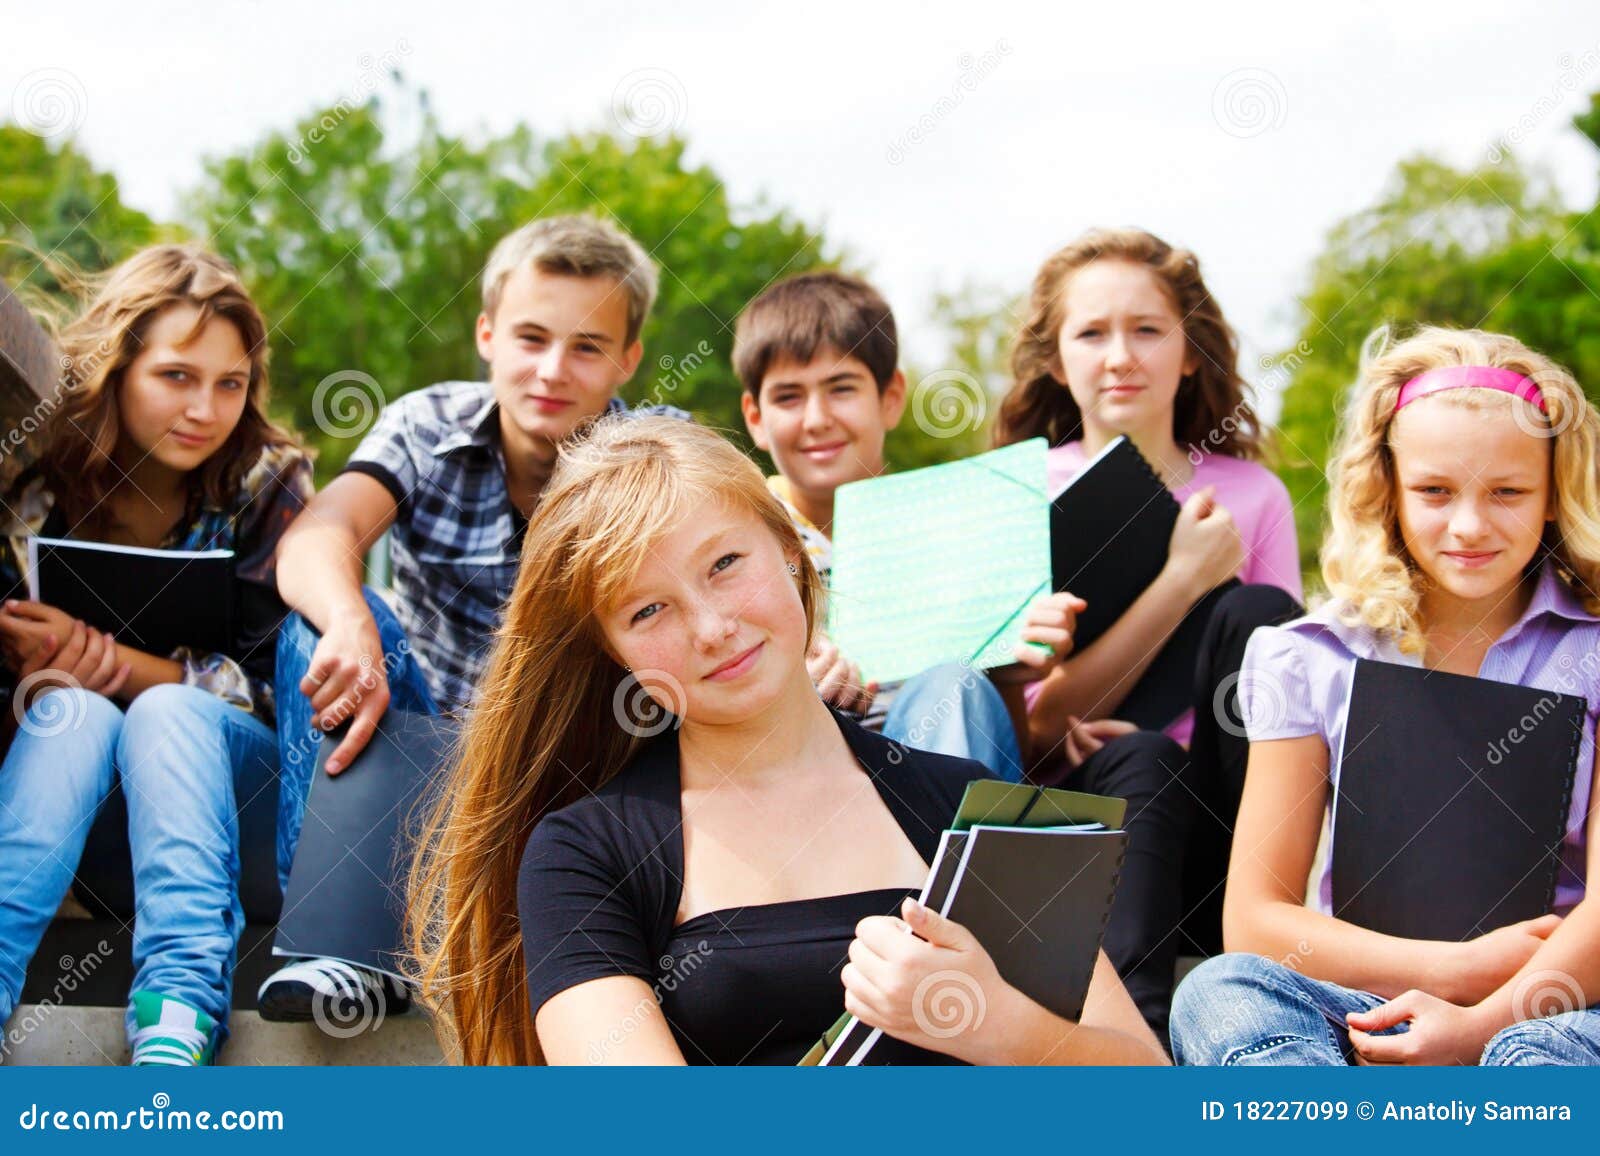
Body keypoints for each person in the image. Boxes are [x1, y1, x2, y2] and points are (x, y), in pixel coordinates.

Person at [405, 416, 1166, 1066]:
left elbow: (1149, 1093)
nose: (711, 629)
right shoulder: (582, 852)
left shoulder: (968, 799)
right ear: (613, 654)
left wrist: (992, 1021)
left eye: (725, 564)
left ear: (792, 550)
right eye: (648, 611)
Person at [260, 213, 685, 1022]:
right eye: (531, 337)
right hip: (423, 771)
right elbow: (317, 535)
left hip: (579, 778)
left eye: (588, 347)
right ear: (488, 333)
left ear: (627, 359)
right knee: (322, 623)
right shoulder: (428, 424)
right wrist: (351, 619)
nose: (552, 370)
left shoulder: (659, 454)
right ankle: (340, 942)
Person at [1170, 327, 1600, 1066]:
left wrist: (1477, 1026)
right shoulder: (1309, 656)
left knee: (1544, 1051)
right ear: (1388, 490)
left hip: (1557, 1000)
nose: (1469, 525)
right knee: (1218, 990)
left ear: (1554, 494)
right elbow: (1257, 919)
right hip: (1369, 998)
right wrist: (1447, 973)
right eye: (1434, 491)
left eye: (1508, 492)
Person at [0, 245, 312, 1065]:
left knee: (170, 710)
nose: (205, 408)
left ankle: (178, 1009)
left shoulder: (265, 485)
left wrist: (129, 668)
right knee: (71, 715)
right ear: (119, 369)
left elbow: (295, 701)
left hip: (235, 818)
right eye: (177, 376)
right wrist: (36, 660)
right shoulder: (33, 490)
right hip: (93, 833)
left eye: (229, 383)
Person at [992, 227, 1303, 1033]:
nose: (1120, 356)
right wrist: (1181, 579)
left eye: (1147, 330)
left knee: (1259, 616)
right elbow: (1039, 728)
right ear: (1058, 362)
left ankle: (1278, 926)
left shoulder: (1255, 496)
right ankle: (1136, 1042)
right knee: (1142, 755)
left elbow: (1290, 703)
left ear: (1190, 352)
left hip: (1229, 818)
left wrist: (1216, 589)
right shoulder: (1019, 492)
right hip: (1099, 809)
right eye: (1091, 334)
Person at [735, 270, 1078, 780]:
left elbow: (1007, 747)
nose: (816, 419)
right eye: (788, 397)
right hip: (806, 786)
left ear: (891, 397)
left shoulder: (959, 528)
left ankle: (947, 859)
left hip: (939, 783)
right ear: (755, 417)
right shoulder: (733, 543)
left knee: (951, 685)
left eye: (841, 388)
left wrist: (1007, 668)